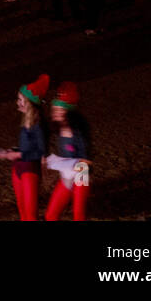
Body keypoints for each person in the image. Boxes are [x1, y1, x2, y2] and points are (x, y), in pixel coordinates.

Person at [0, 74, 50, 221]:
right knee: (22, 212)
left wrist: (17, 155)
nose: (17, 103)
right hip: (18, 169)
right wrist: (12, 151)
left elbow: (41, 152)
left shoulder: (39, 125)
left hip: (30, 171)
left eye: (21, 100)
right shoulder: (26, 120)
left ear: (29, 103)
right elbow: (26, 147)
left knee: (30, 215)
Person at [45, 82, 92, 221]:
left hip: (81, 174)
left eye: (60, 109)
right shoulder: (59, 129)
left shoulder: (78, 131)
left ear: (68, 112)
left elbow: (86, 161)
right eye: (54, 109)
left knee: (78, 214)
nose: (55, 112)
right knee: (50, 215)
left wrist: (65, 164)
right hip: (66, 174)